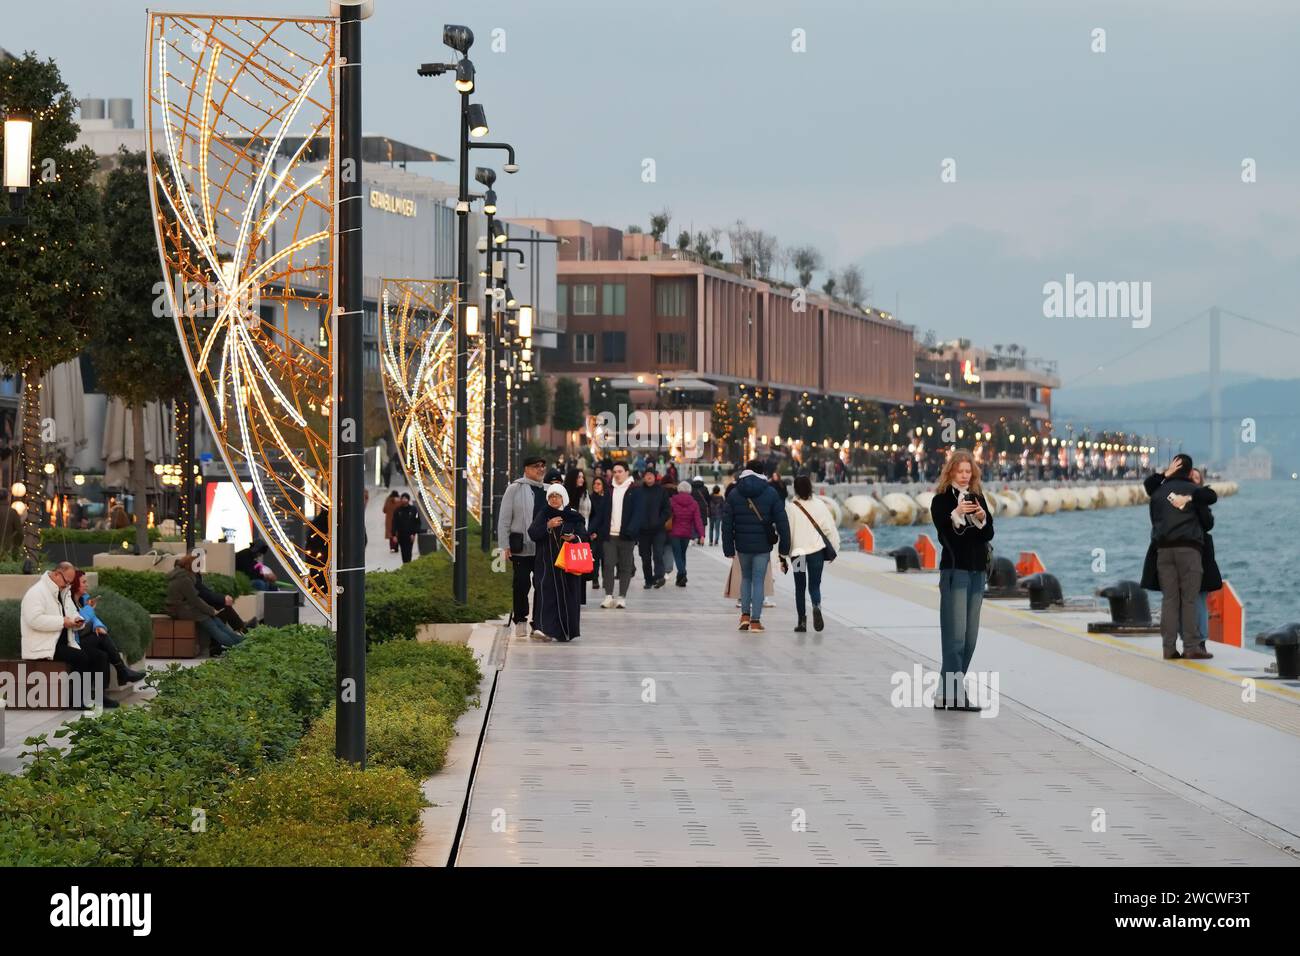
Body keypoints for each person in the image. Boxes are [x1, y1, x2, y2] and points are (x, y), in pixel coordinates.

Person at [930, 449, 994, 711]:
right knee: (954, 639)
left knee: (969, 640)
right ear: (951, 472)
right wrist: (956, 514)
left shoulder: (978, 498)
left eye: (969, 471)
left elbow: (988, 533)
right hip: (955, 573)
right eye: (961, 471)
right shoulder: (941, 501)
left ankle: (944, 694)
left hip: (978, 573)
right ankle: (957, 695)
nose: (966, 476)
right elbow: (948, 537)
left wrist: (980, 518)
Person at [1141, 455, 1217, 660]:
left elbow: (1148, 486)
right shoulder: (1195, 491)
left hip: (1163, 551)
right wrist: (1191, 498)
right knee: (1189, 600)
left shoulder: (1157, 491)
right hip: (1189, 550)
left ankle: (1168, 648)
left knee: (1170, 600)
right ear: (1191, 471)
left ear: (1173, 469)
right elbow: (1211, 503)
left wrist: (1165, 474)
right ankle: (1191, 647)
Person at [20, 562, 117, 709]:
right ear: (57, 574)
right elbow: (34, 620)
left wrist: (78, 621)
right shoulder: (36, 592)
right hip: (44, 645)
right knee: (81, 657)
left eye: (70, 583)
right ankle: (77, 700)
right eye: (66, 581)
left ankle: (98, 697)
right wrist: (63, 622)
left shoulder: (63, 592)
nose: (67, 585)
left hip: (63, 641)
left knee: (98, 656)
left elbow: (73, 614)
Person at [722, 459, 791, 633]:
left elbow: (727, 523)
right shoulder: (771, 493)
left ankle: (744, 616)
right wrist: (784, 547)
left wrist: (728, 548)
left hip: (742, 545)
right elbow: (782, 521)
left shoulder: (735, 493)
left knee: (745, 579)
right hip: (762, 545)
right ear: (762, 472)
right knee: (758, 580)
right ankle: (755, 621)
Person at [527, 483, 588, 642]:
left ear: (563, 498)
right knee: (546, 596)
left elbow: (583, 535)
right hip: (546, 564)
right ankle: (543, 629)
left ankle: (566, 632)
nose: (554, 499)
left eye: (557, 496)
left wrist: (574, 538)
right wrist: (548, 525)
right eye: (551, 496)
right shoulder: (544, 513)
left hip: (568, 565)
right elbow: (533, 533)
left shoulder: (573, 514)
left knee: (568, 597)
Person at [498, 456, 549, 638]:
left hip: (542, 547)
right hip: (520, 547)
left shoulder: (548, 490)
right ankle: (520, 620)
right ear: (526, 469)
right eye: (536, 466)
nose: (540, 469)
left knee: (541, 585)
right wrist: (503, 545)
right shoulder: (514, 489)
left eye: (543, 466)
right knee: (521, 584)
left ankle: (539, 623)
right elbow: (504, 519)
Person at [70, 570, 148, 685]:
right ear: (75, 584)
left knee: (102, 655)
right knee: (100, 638)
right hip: (74, 641)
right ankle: (122, 672)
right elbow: (81, 621)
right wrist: (91, 609)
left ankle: (102, 692)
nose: (87, 585)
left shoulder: (83, 599)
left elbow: (93, 618)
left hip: (84, 638)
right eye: (83, 582)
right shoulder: (69, 602)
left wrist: (98, 625)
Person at [786, 474, 838, 633]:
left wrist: (782, 556)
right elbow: (830, 529)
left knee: (799, 587)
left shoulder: (791, 506)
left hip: (798, 552)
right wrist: (834, 548)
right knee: (815, 585)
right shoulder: (820, 505)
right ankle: (816, 606)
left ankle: (802, 622)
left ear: (795, 488)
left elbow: (786, 533)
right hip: (816, 551)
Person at [589, 461, 641, 609]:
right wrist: (591, 530)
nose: (617, 474)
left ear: (626, 473)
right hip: (609, 536)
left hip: (626, 537)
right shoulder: (610, 490)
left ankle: (622, 597)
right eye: (615, 471)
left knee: (625, 567)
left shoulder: (634, 490)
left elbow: (638, 513)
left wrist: (631, 530)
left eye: (620, 471)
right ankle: (608, 596)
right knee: (608, 565)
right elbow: (601, 514)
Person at [166, 554, 244, 652]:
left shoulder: (185, 576)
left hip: (187, 608)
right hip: (181, 610)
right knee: (213, 627)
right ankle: (238, 647)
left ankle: (243, 642)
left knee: (218, 623)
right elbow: (195, 599)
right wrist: (211, 610)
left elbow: (195, 598)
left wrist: (211, 611)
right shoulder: (184, 579)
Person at [1189, 468, 1222, 643]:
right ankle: (1195, 637)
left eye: (1197, 477)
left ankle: (1200, 638)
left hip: (1201, 553)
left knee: (1199, 596)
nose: (1194, 480)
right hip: (1191, 552)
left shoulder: (1201, 501)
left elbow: (1208, 524)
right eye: (1191, 477)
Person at [635, 468, 672, 589]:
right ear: (644, 477)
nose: (649, 477)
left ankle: (659, 577)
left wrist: (659, 521)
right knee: (645, 557)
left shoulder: (661, 491)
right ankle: (648, 580)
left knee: (658, 554)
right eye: (647, 474)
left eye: (651, 474)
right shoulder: (639, 491)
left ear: (655, 477)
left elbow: (667, 509)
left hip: (658, 530)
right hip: (643, 531)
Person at [668, 480, 706, 586]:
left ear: (678, 489)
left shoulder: (672, 501)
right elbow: (698, 520)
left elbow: (668, 516)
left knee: (677, 555)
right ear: (689, 490)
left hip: (674, 532)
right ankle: (680, 579)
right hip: (686, 533)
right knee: (682, 554)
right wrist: (701, 534)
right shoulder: (694, 503)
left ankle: (682, 573)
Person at [587, 475, 607, 591]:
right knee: (594, 558)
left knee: (606, 559)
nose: (596, 486)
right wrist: (591, 532)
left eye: (599, 484)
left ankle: (606, 579)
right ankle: (595, 579)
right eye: (595, 484)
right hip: (593, 534)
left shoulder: (607, 499)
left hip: (604, 533)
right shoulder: (589, 499)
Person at [391, 493, 422, 564]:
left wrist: (414, 533)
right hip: (401, 535)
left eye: (405, 498)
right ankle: (405, 564)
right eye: (403, 498)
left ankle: (408, 564)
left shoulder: (414, 509)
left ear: (408, 499)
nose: (404, 500)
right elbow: (394, 523)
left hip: (410, 535)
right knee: (403, 551)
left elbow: (417, 521)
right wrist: (394, 535)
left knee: (409, 551)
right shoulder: (398, 510)